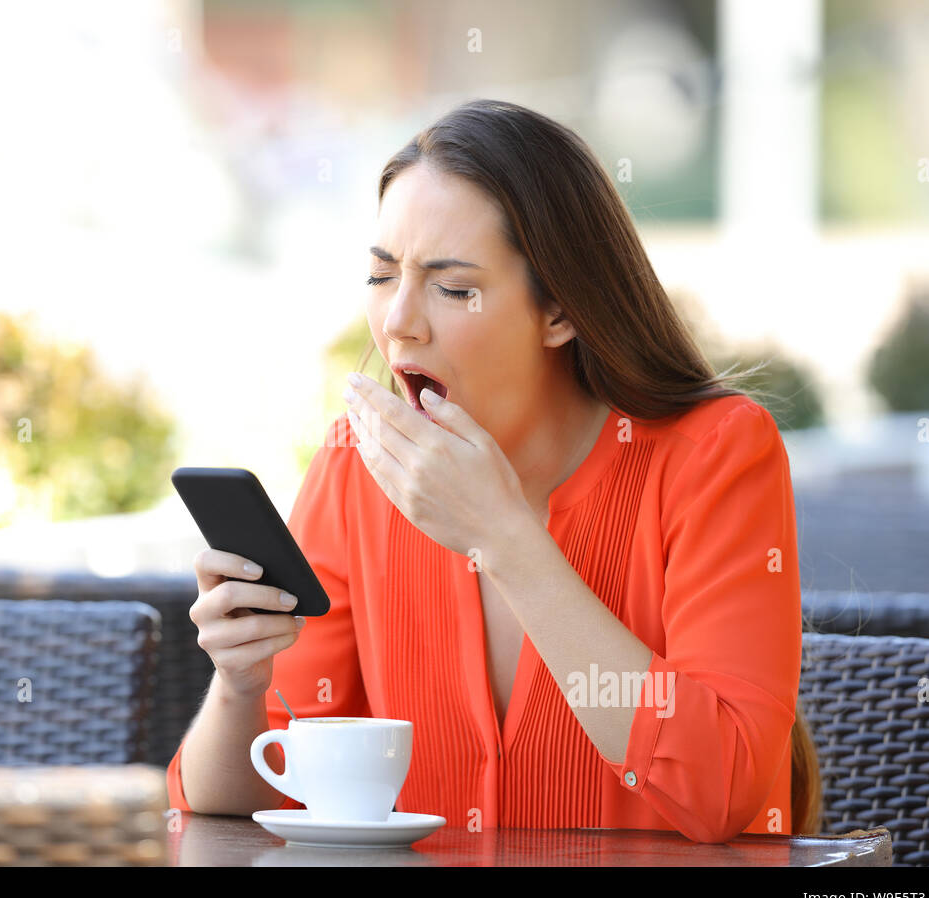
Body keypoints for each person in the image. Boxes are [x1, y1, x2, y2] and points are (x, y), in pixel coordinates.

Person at [167, 98, 821, 842]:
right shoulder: (359, 468)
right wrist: (242, 686)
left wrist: (507, 540)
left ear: (560, 311)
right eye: (383, 276)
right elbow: (232, 804)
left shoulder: (717, 455)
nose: (399, 323)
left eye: (453, 289)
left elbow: (726, 791)